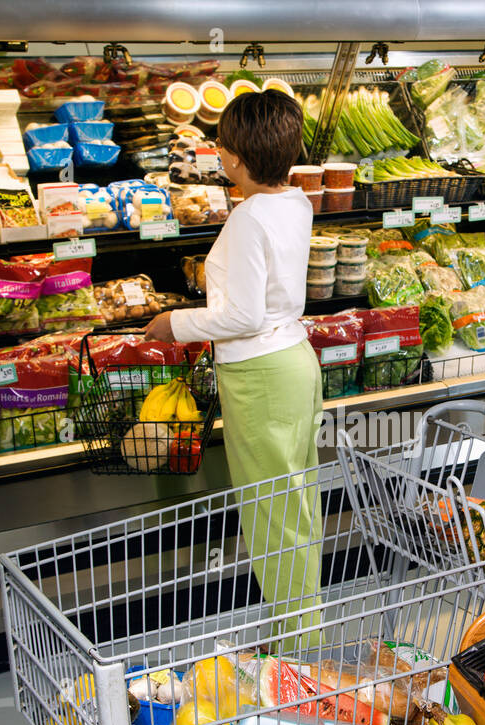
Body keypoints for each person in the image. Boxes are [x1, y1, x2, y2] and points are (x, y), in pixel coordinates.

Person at [144, 90, 323, 641]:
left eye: (222, 147)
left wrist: (176, 325)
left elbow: (242, 315)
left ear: (234, 158)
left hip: (262, 374)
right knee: (296, 508)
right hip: (292, 360)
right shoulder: (295, 203)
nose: (219, 155)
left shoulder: (249, 218)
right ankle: (298, 635)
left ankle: (298, 654)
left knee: (272, 517)